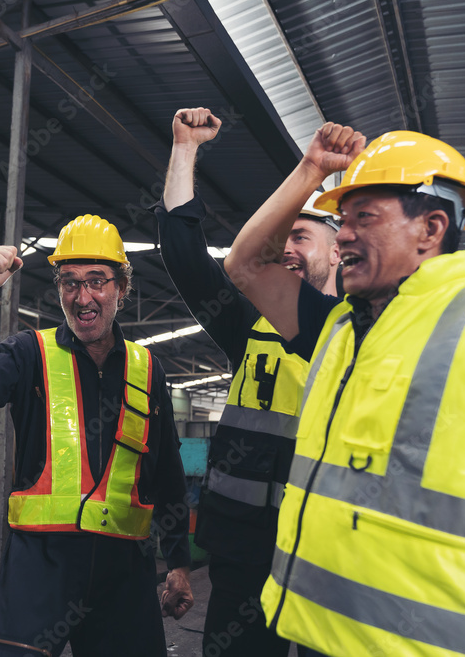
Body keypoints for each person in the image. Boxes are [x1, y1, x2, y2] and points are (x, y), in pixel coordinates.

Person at [222, 122, 465, 657]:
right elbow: (245, 264)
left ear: (431, 228)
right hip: (315, 639)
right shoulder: (339, 327)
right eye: (342, 220)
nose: (343, 234)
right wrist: (312, 170)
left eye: (363, 217)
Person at [0, 215, 193, 656]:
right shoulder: (28, 352)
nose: (83, 296)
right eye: (69, 282)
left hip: (125, 570)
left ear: (121, 289)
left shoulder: (148, 369)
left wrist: (180, 564)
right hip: (41, 565)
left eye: (97, 281)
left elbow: (166, 470)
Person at [156, 107, 339, 657]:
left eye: (302, 236)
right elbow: (186, 255)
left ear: (337, 250)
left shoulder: (364, 335)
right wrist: (184, 149)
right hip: (243, 553)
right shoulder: (249, 326)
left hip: (326, 554)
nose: (287, 246)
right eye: (284, 236)